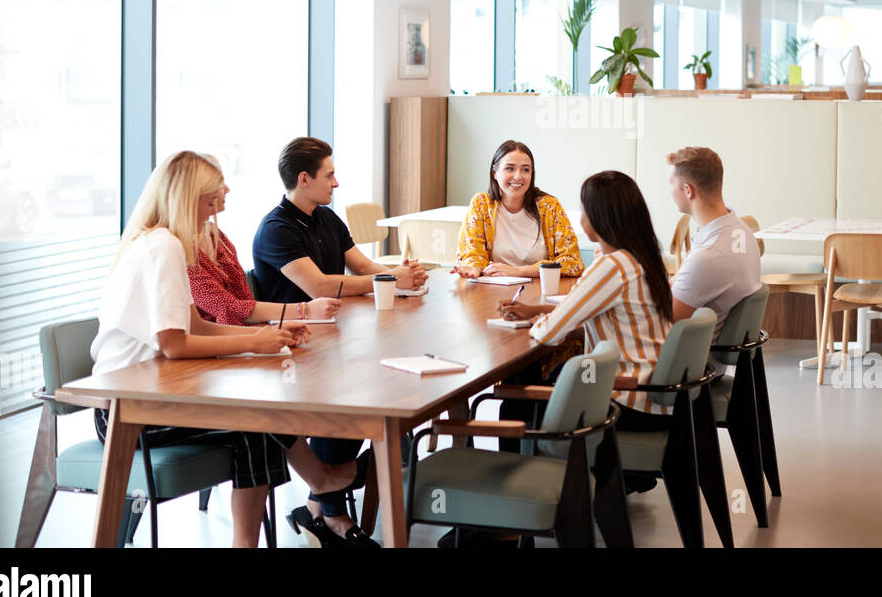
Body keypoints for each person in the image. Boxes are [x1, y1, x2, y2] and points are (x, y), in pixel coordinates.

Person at [89, 151, 366, 548]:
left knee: (258, 421)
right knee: (256, 421)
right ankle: (319, 482)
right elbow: (173, 345)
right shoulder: (164, 248)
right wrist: (253, 341)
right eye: (207, 203)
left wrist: (261, 343)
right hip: (128, 412)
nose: (211, 213)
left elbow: (197, 325)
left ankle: (313, 488)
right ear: (187, 200)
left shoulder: (164, 242)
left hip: (152, 394)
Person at [252, 136, 427, 545]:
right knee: (349, 393)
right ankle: (331, 512)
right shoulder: (275, 229)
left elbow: (363, 265)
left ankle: (319, 506)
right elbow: (318, 285)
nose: (336, 183)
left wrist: (401, 274)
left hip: (333, 337)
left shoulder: (326, 218)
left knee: (368, 382)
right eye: (329, 175)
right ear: (304, 179)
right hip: (291, 351)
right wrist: (387, 280)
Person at [497, 170, 674, 435]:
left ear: (600, 218)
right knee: (545, 380)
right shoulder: (643, 257)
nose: (580, 220)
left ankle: (521, 471)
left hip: (626, 399)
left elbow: (550, 332)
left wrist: (536, 322)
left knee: (517, 396)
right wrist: (537, 311)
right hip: (652, 395)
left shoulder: (612, 266)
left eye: (583, 211)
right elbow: (592, 311)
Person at [185, 159, 340, 327]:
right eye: (219, 183)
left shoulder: (215, 235)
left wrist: (266, 333)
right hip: (221, 345)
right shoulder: (178, 247)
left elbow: (244, 298)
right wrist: (304, 311)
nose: (227, 189)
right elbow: (227, 307)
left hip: (240, 337)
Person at [451, 140, 585, 280]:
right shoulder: (481, 204)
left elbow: (572, 262)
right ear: (495, 173)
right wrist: (474, 267)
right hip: (493, 289)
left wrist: (520, 271)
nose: (518, 176)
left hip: (539, 290)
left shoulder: (549, 206)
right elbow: (472, 253)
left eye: (525, 170)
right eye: (510, 168)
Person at [665, 146, 761, 336]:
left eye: (670, 183)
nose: (669, 191)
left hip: (685, 361)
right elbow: (676, 282)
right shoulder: (742, 231)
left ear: (688, 190)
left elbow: (664, 323)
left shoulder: (709, 255)